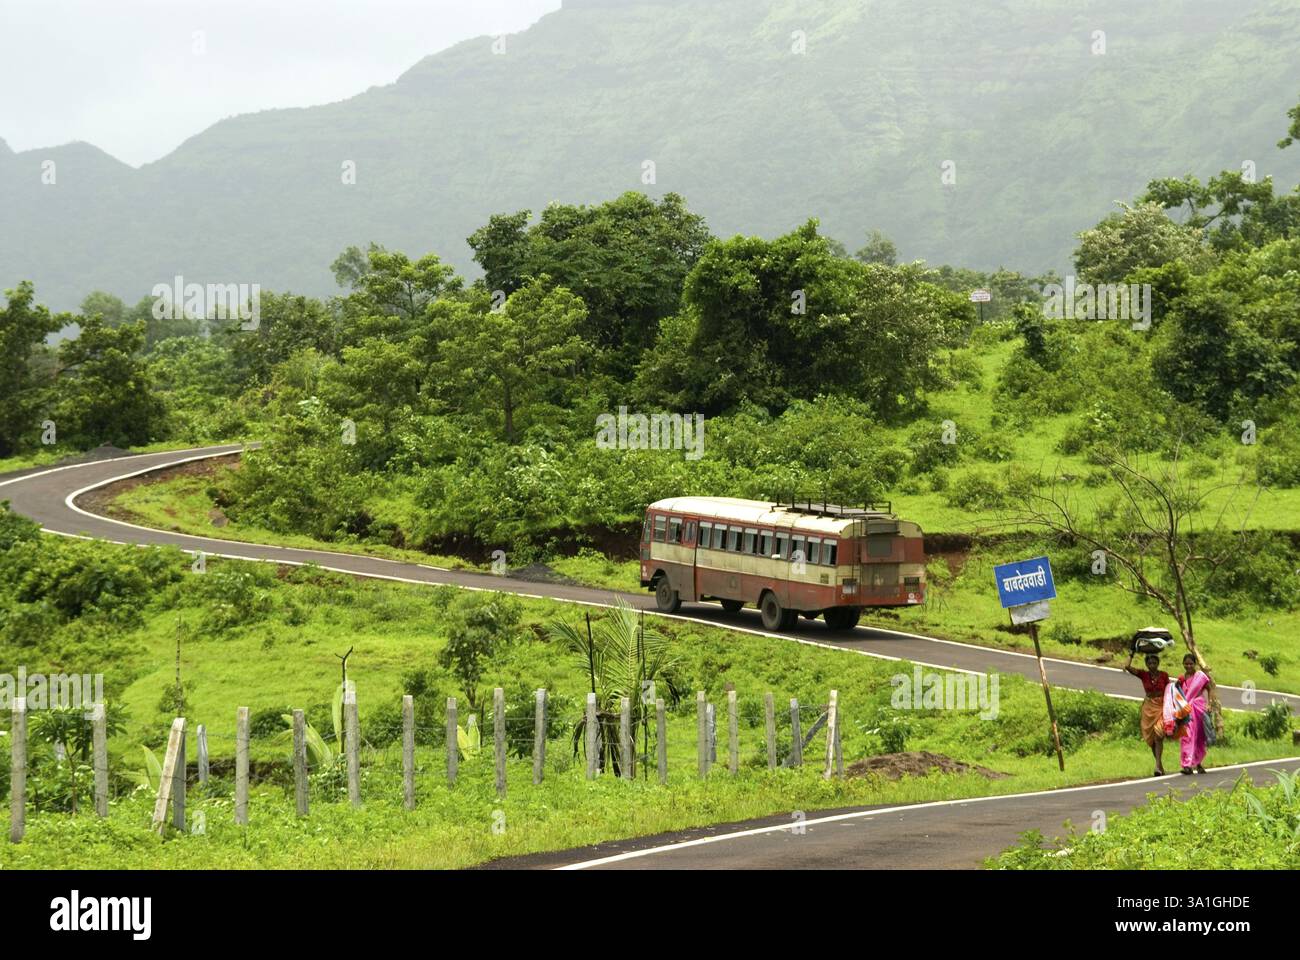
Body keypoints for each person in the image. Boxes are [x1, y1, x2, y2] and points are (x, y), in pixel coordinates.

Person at [1162, 654, 1211, 774]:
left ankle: (1198, 763)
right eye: (1186, 663)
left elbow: (1208, 689)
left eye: (1191, 663)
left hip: (1199, 708)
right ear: (1183, 664)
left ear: (1195, 664)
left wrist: (1209, 703)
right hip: (1186, 710)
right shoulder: (1181, 679)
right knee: (1186, 736)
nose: (1188, 666)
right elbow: (1177, 694)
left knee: (1199, 737)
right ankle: (1187, 765)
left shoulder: (1200, 676)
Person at [1124, 650, 1169, 775]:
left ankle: (1157, 766)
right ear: (1147, 664)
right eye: (1149, 663)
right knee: (1151, 739)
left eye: (1154, 663)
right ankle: (1159, 765)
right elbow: (1127, 666)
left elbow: (1170, 691)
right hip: (1148, 708)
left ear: (1158, 663)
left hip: (1161, 706)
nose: (1152, 665)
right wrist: (1131, 653)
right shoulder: (1144, 675)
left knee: (1159, 734)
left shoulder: (1164, 675)